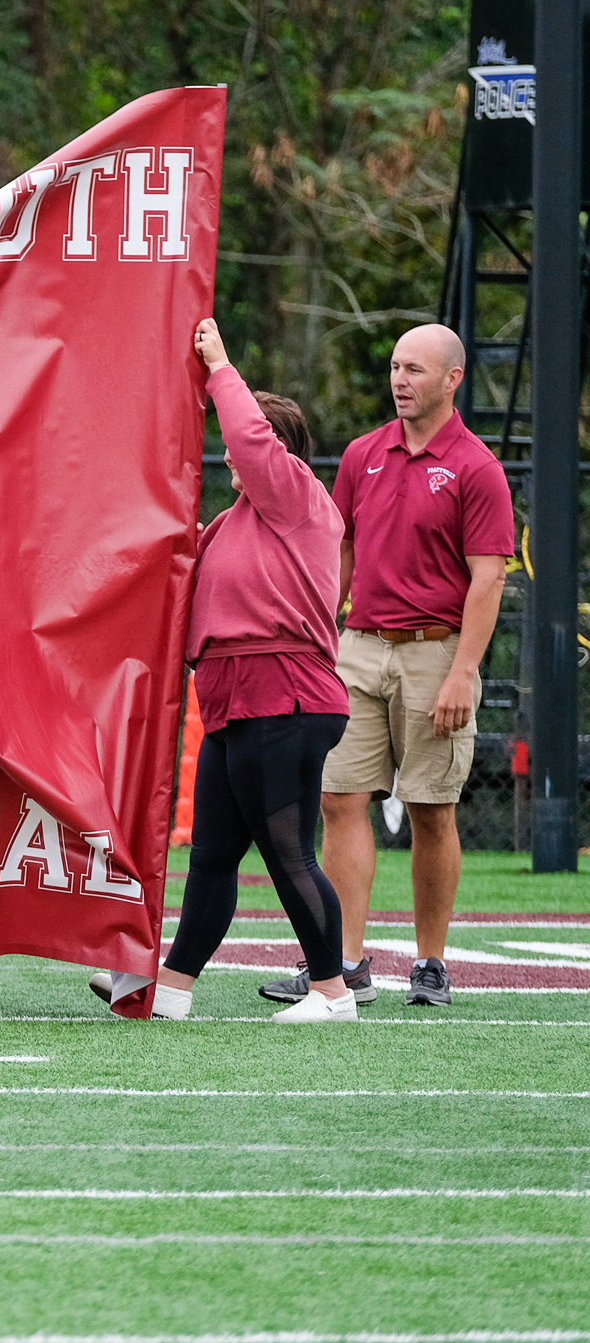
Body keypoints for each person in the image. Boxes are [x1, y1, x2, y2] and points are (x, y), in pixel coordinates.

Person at [96, 320, 351, 1021]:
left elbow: (251, 441)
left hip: (287, 693)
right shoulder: (229, 523)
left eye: (252, 439)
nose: (234, 451)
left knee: (288, 851)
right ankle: (171, 985)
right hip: (233, 699)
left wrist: (220, 367)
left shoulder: (300, 497)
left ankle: (333, 992)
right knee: (210, 853)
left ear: (280, 450)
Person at [267, 323, 513, 1009]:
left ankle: (431, 962)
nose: (400, 379)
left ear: (452, 379)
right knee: (339, 799)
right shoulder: (362, 454)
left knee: (433, 810)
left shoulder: (477, 467)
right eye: (397, 367)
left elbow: (488, 578)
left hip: (437, 650)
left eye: (415, 369)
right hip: (359, 646)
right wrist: (324, 636)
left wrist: (464, 670)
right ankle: (345, 962)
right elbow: (337, 552)